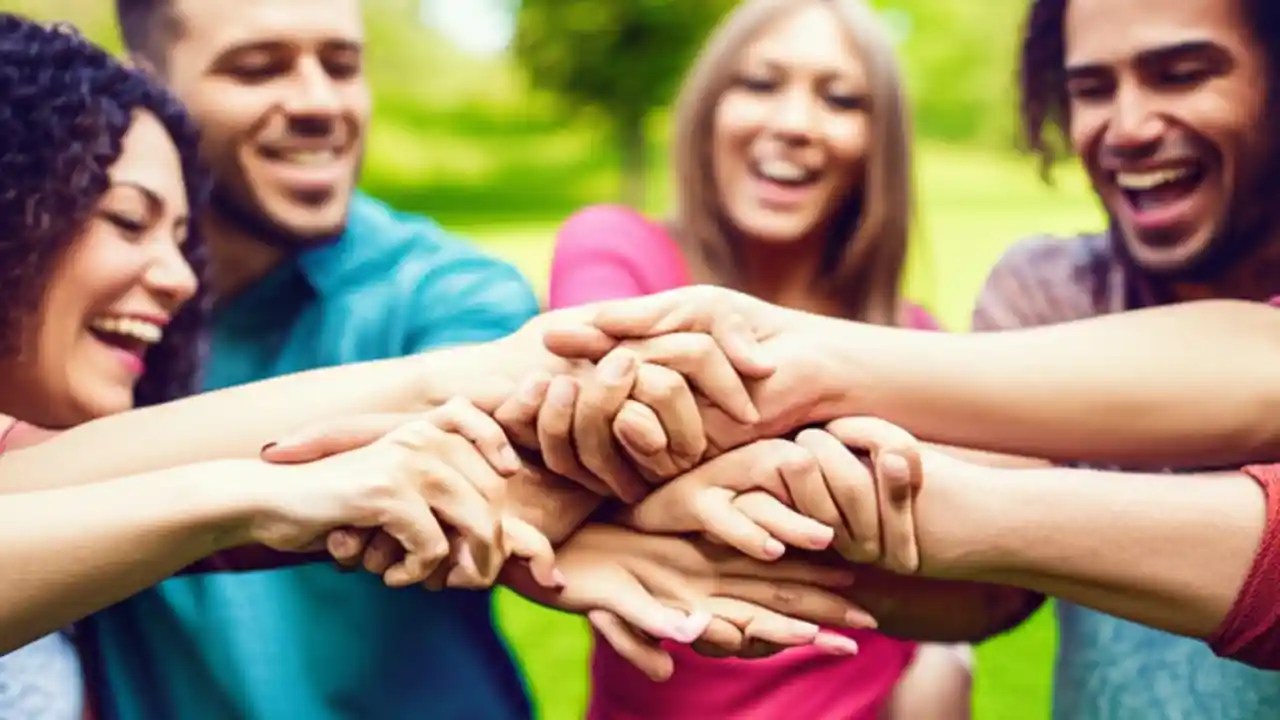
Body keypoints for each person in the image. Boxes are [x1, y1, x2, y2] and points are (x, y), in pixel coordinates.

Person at [0, 15, 554, 719]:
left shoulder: (443, 289)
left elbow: (497, 450)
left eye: (344, 65)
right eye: (257, 67)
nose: (320, 102)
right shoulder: (86, 350)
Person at [548, 1, 969, 717]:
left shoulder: (911, 339)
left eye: (841, 98)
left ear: (879, 144)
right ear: (710, 109)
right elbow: (594, 402)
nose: (796, 124)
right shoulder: (620, 248)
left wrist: (945, 661)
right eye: (760, 84)